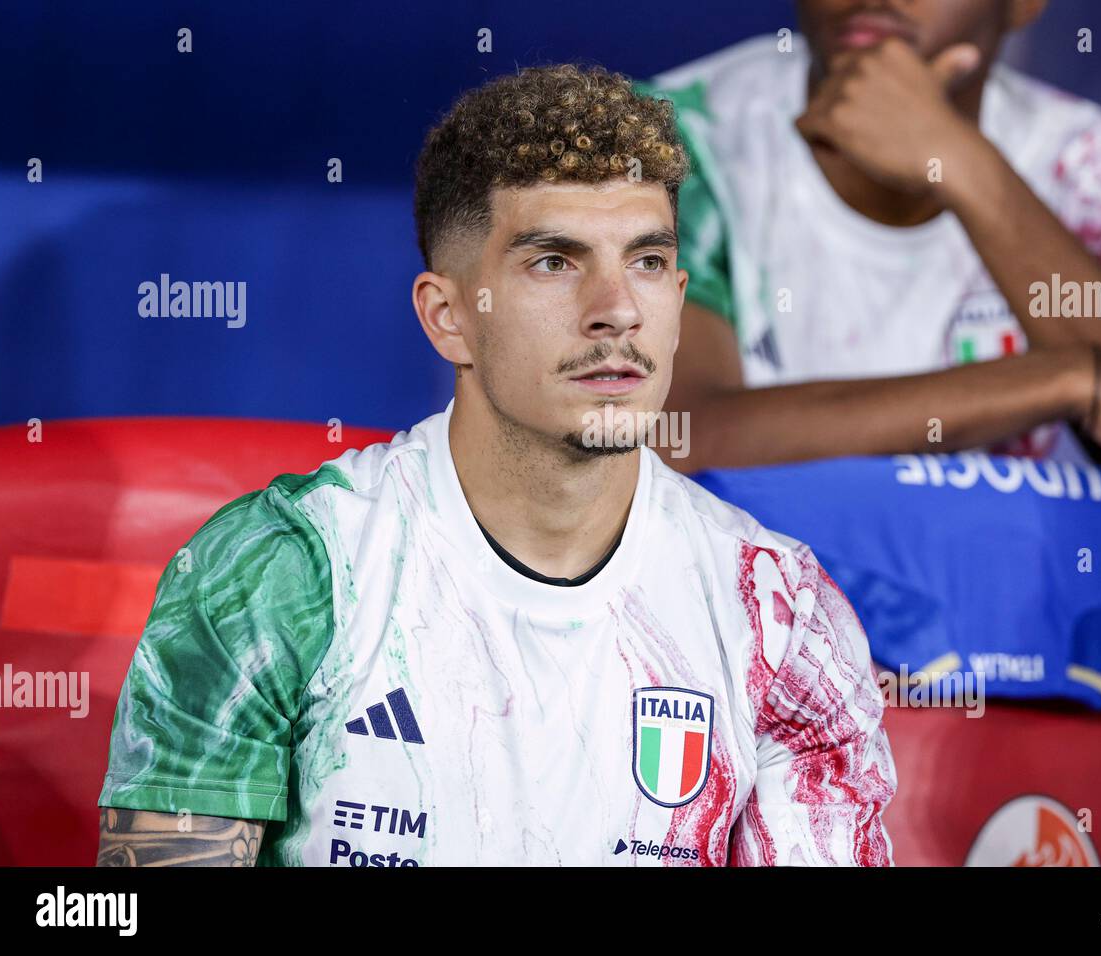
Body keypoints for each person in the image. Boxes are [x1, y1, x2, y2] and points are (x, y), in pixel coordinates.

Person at [95, 64, 896, 867]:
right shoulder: (285, 570)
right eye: (555, 261)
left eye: (647, 261)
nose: (617, 308)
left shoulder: (781, 617)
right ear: (448, 319)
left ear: (680, 299)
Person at [643, 0, 1101, 534]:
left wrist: (967, 169)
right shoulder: (669, 139)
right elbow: (674, 441)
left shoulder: (1100, 168)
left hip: (1005, 629)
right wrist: (1071, 379)